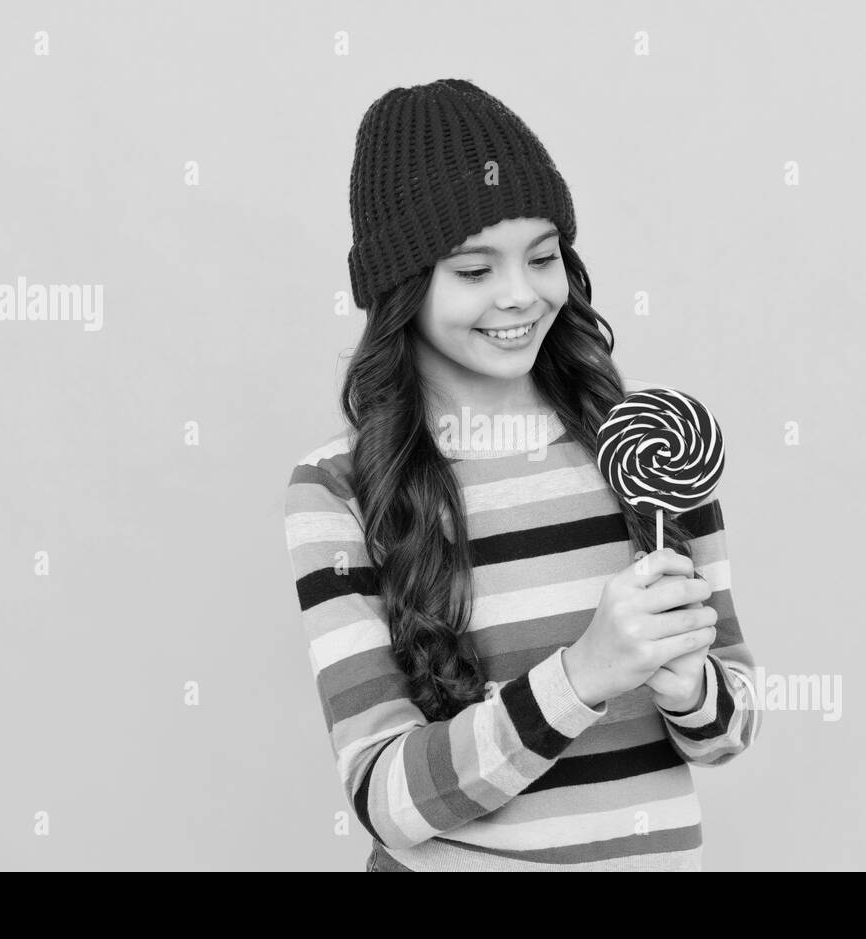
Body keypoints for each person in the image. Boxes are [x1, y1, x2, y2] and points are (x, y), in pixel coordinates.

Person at [284, 79, 761, 871]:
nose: (520, 294)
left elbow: (732, 724)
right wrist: (585, 674)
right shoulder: (338, 488)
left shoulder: (648, 450)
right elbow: (386, 798)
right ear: (401, 289)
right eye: (473, 270)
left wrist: (688, 688)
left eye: (543, 257)